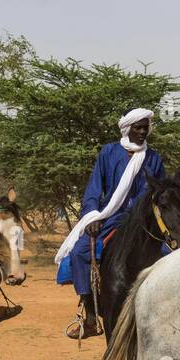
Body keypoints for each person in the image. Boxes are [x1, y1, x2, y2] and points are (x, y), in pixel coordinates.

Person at [55, 108, 165, 340]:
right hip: (111, 217)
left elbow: (161, 193)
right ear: (128, 128)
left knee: (172, 255)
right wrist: (92, 217)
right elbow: (94, 189)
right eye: (139, 127)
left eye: (146, 127)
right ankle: (91, 315)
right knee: (80, 252)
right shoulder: (109, 152)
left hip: (144, 221)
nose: (143, 131)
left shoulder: (154, 158)